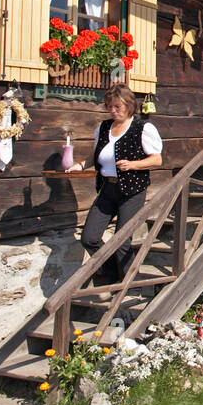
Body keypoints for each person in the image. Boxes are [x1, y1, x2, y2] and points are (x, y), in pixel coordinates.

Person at [68, 84, 164, 282]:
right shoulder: (103, 128)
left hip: (132, 190)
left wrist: (133, 164)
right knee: (89, 238)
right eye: (109, 106)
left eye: (117, 107)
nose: (112, 110)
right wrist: (80, 165)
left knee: (122, 241)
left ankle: (132, 286)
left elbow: (157, 159)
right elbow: (96, 156)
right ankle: (112, 275)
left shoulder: (143, 128)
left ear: (129, 106)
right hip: (108, 189)